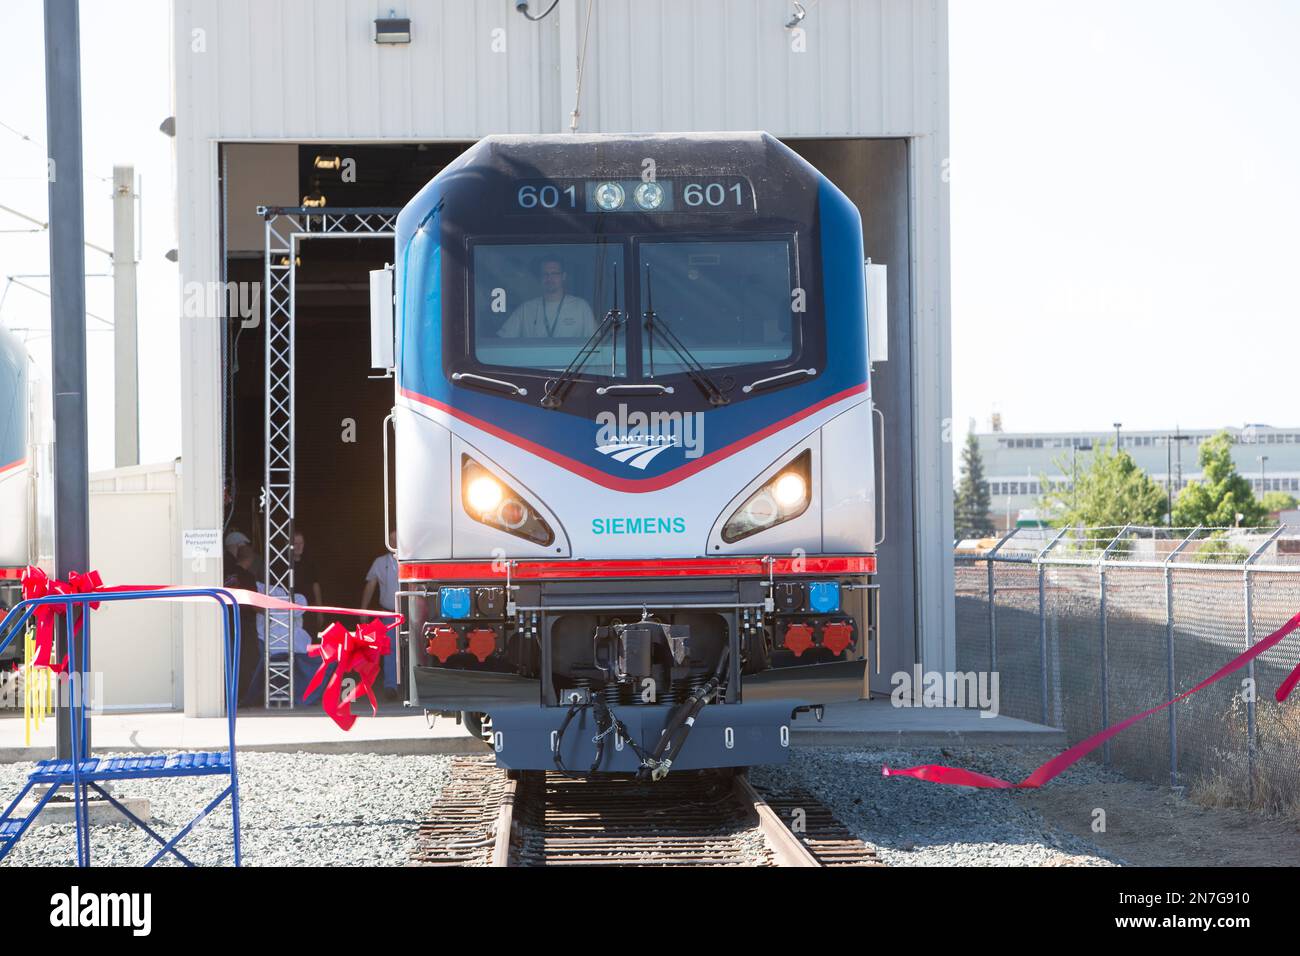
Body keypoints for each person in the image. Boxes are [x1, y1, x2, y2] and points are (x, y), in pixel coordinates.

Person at [496, 257, 596, 339]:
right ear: (540, 278)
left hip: (573, 363)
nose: (549, 278)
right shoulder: (525, 309)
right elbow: (502, 340)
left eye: (554, 273)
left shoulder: (581, 307)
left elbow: (595, 343)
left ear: (563, 276)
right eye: (545, 274)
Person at [361, 531, 400, 699]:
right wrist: (364, 608)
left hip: (410, 612)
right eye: (391, 539)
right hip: (388, 614)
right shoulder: (380, 562)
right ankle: (390, 687)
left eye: (397, 539)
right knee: (389, 650)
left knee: (414, 650)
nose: (394, 542)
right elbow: (371, 585)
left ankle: (413, 687)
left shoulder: (412, 559)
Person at [223, 544, 261, 707]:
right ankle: (243, 696)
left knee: (229, 659)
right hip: (244, 624)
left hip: (227, 621)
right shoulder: (248, 577)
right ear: (251, 559)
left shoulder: (226, 574)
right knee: (246, 660)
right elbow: (254, 604)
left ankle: (228, 695)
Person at [291, 530, 323, 633]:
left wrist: (319, 611)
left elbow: (316, 586)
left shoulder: (309, 562)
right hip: (290, 611)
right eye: (296, 544)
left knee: (310, 640)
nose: (299, 546)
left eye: (301, 543)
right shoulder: (282, 565)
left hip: (309, 609)